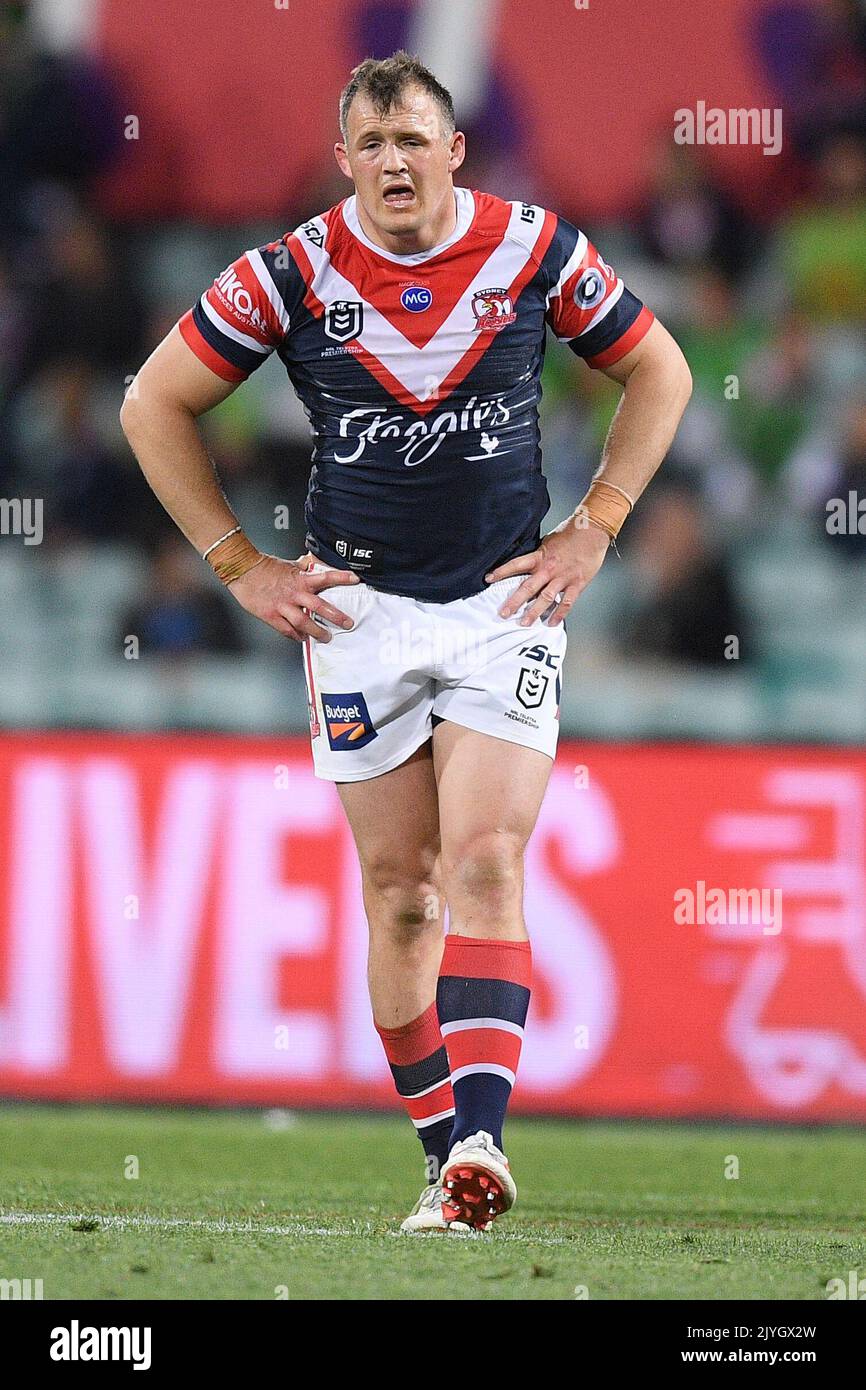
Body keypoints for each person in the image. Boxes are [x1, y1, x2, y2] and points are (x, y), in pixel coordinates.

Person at [120, 51, 691, 1235]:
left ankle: (480, 1138)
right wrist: (242, 565)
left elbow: (658, 369)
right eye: (369, 145)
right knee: (401, 898)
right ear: (344, 162)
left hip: (501, 605)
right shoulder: (289, 272)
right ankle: (443, 1157)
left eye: (411, 141)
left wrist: (594, 527)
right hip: (356, 616)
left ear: (453, 151)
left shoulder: (534, 250)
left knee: (483, 858)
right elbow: (150, 401)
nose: (391, 162)